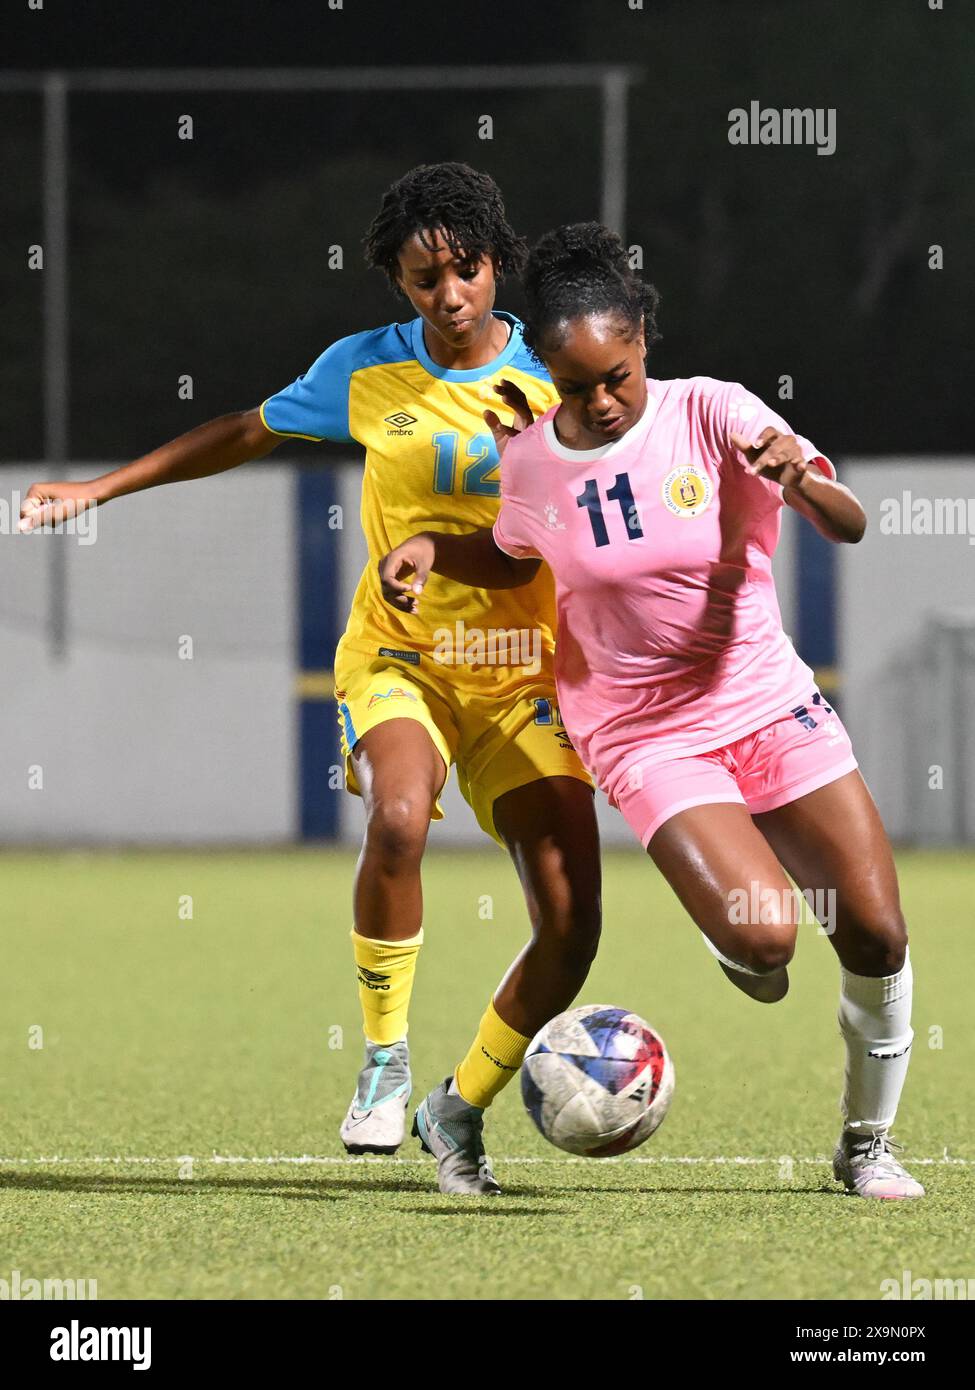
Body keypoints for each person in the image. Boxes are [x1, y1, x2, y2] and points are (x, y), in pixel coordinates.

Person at [19, 166, 602, 1197]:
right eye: (425, 277)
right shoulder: (363, 371)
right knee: (398, 819)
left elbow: (625, 484)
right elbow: (244, 430)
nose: (449, 292)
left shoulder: (558, 373)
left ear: (496, 262)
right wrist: (99, 488)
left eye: (465, 268)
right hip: (401, 658)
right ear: (399, 284)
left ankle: (457, 1105)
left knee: (571, 917)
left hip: (522, 677)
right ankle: (384, 1059)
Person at [379, 221, 924, 1201]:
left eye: (618, 374)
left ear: (642, 342)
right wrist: (429, 546)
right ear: (544, 365)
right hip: (643, 732)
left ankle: (866, 1145)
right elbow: (511, 552)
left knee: (878, 935)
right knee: (766, 940)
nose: (602, 401)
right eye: (578, 384)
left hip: (765, 702)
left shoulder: (712, 413)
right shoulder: (535, 463)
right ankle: (738, 934)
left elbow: (849, 523)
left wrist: (797, 479)